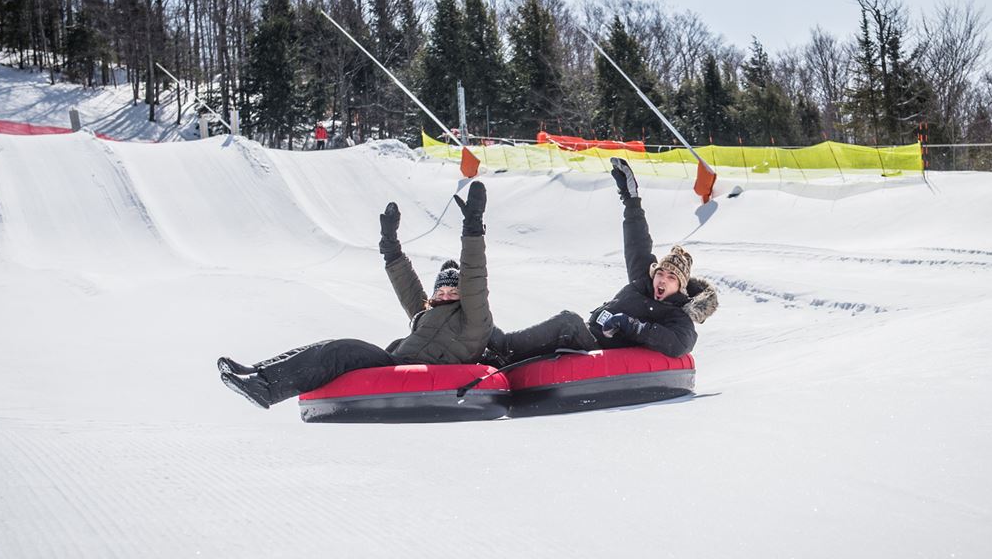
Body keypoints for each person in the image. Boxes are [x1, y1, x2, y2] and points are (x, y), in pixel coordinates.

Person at [218, 182, 492, 408]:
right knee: (329, 346)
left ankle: (265, 389)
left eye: (452, 291)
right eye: (440, 291)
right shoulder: (426, 314)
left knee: (342, 350)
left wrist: (472, 227)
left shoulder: (472, 318)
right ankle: (257, 372)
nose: (444, 296)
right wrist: (389, 244)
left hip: (416, 367)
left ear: (463, 293)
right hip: (395, 363)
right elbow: (407, 286)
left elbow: (475, 274)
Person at [485, 158, 718, 365]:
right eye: (661, 273)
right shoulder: (643, 280)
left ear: (680, 286)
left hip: (601, 352)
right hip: (590, 334)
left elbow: (680, 343)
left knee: (569, 322)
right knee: (567, 328)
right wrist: (631, 199)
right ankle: (501, 360)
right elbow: (637, 242)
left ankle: (504, 345)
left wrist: (632, 325)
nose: (662, 279)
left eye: (671, 278)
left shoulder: (678, 314)